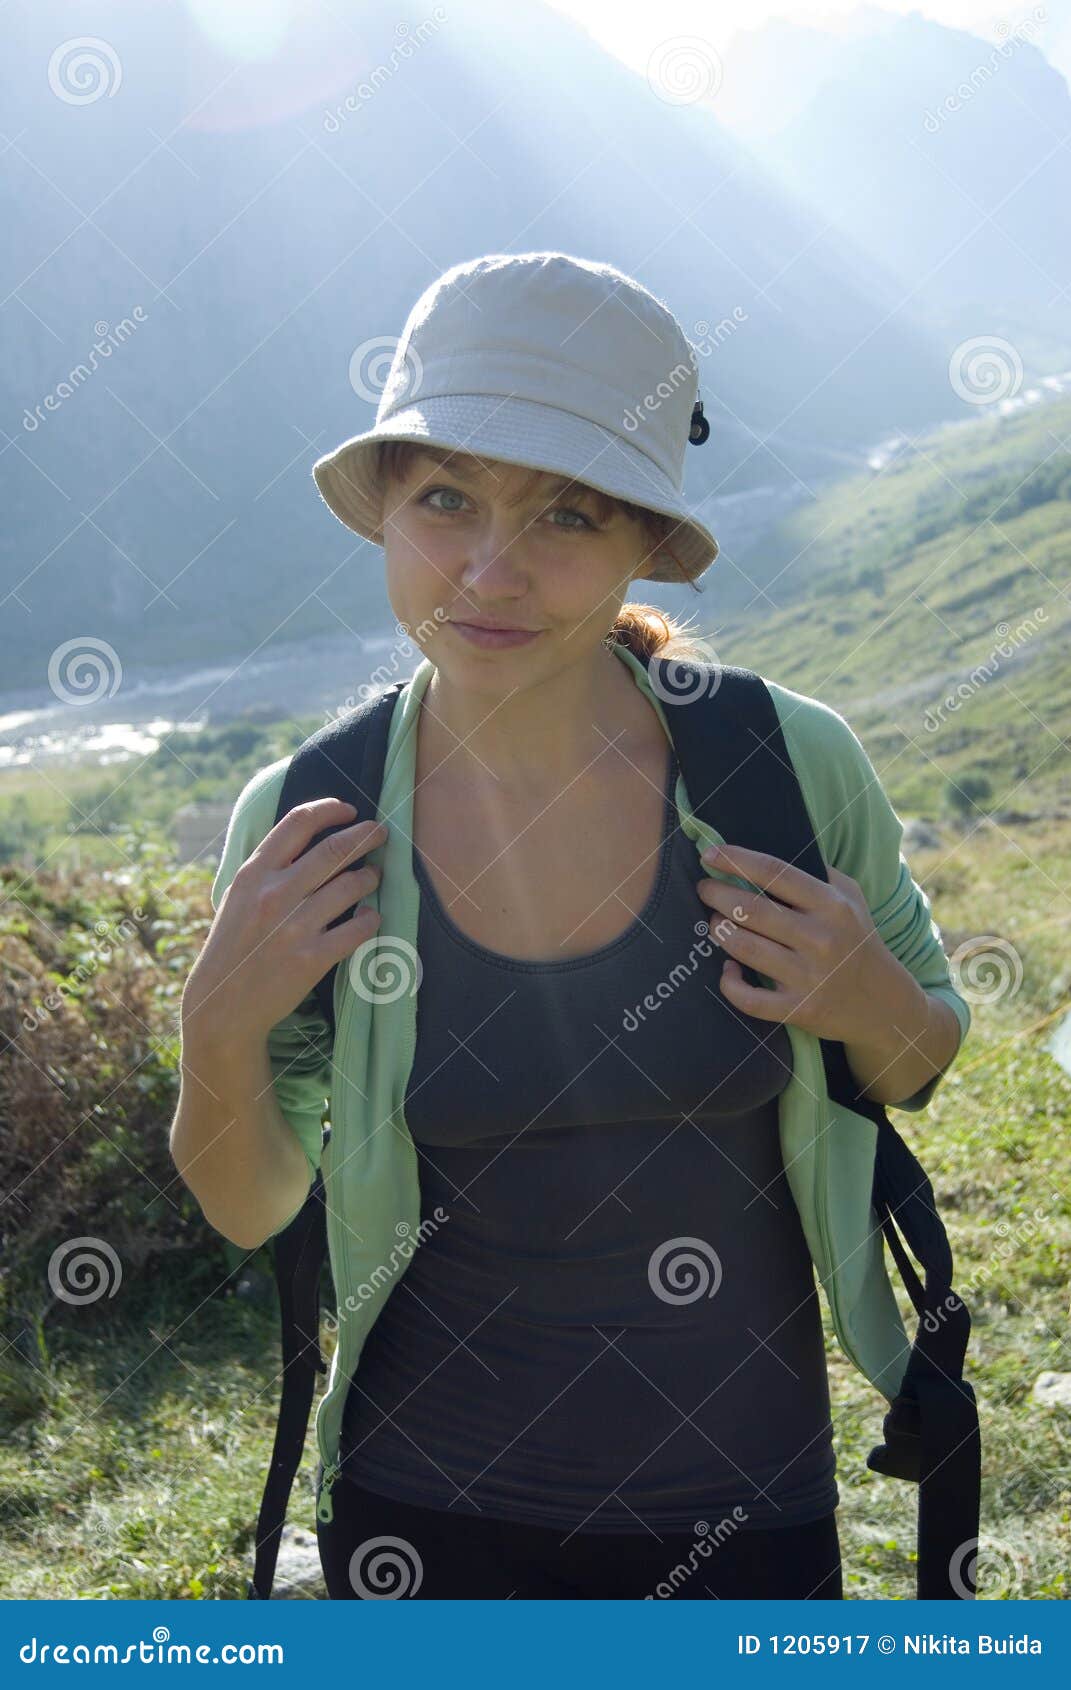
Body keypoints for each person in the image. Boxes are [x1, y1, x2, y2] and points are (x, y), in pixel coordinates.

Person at [173, 253, 970, 1600]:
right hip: (418, 1517)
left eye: (567, 517)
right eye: (444, 499)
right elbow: (253, 1201)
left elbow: (917, 1057)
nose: (489, 569)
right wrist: (218, 1027)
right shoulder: (312, 816)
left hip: (750, 1516)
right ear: (382, 508)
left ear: (646, 543)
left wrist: (867, 996)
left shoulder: (781, 766)